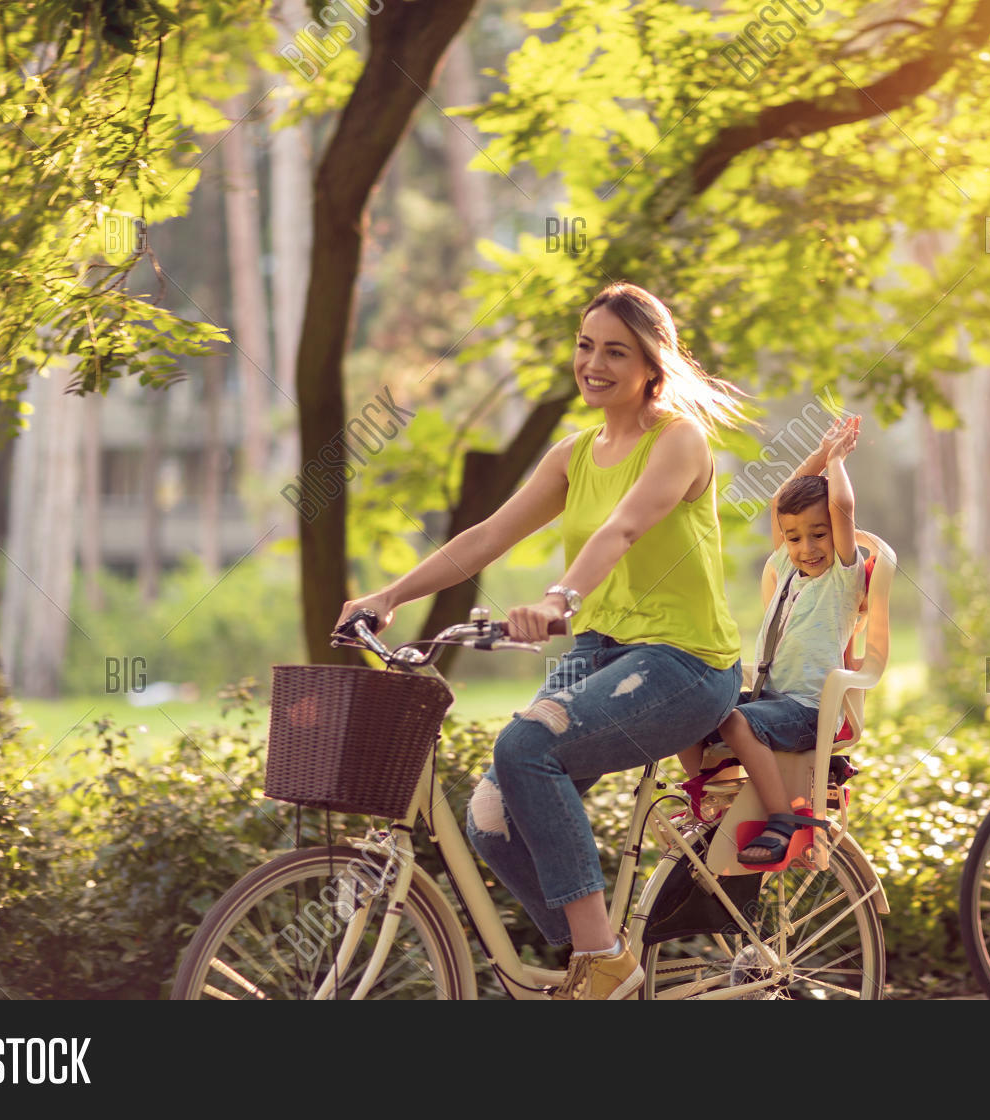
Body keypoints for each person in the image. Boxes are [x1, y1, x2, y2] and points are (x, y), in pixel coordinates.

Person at [335, 282, 745, 1000]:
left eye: (616, 351)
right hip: (602, 653)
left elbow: (623, 529)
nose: (594, 363)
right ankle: (601, 964)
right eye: (586, 346)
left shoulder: (678, 439)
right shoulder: (573, 453)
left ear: (652, 363)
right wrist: (390, 595)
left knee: (526, 745)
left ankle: (605, 960)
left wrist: (561, 598)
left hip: (684, 662)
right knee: (490, 821)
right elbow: (489, 535)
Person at [677, 415, 865, 863]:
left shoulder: (840, 577)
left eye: (819, 535)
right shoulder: (785, 568)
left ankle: (782, 818)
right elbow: (782, 501)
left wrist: (836, 461)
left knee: (736, 723)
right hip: (771, 697)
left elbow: (841, 507)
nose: (807, 547)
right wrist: (819, 452)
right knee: (684, 702)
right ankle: (711, 794)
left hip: (808, 710)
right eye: (795, 537)